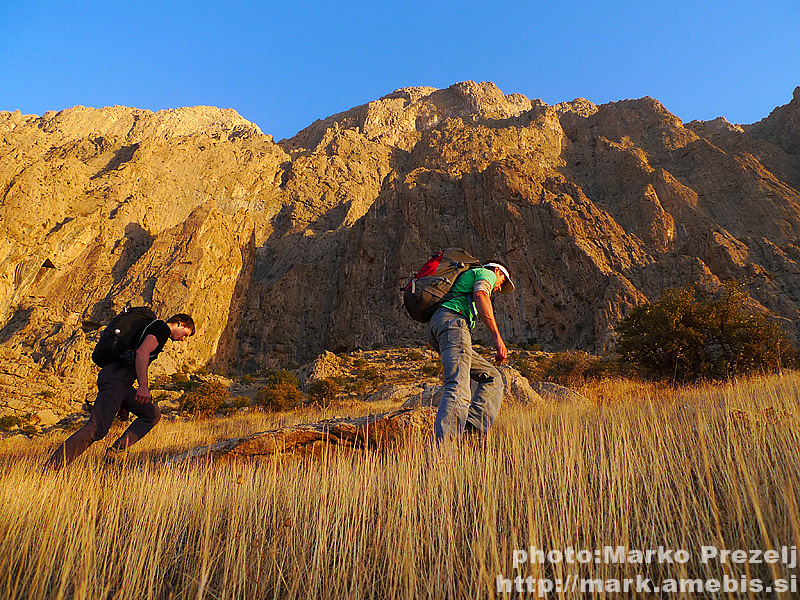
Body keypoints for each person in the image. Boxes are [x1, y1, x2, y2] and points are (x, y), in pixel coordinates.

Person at [47, 313, 195, 468]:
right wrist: (143, 386)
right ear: (180, 323)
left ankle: (116, 451)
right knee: (97, 428)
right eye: (185, 334)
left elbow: (133, 355)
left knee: (151, 414)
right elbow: (141, 352)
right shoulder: (161, 328)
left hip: (122, 381)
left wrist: (124, 404)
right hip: (116, 378)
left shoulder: (154, 329)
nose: (183, 339)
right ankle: (51, 466)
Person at [427, 260, 515, 442]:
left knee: (493, 377)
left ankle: (471, 431)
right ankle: (445, 452)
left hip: (439, 326)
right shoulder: (487, 273)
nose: (499, 288)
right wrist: (497, 337)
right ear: (497, 271)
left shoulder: (469, 275)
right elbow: (481, 295)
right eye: (503, 282)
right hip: (453, 323)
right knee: (458, 386)